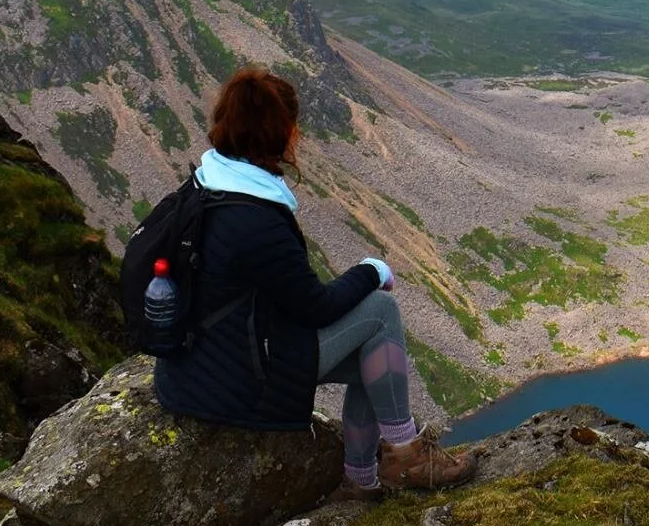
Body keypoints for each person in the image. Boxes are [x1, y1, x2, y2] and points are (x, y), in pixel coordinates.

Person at [151, 66, 473, 497]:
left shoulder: (205, 185)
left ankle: (361, 480)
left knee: (369, 354)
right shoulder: (253, 218)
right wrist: (371, 270)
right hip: (234, 378)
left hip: (200, 365)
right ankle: (406, 455)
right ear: (278, 132)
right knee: (380, 313)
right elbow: (315, 306)